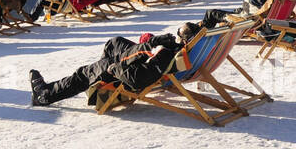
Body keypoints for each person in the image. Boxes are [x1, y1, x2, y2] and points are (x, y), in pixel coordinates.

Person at [28, 22, 200, 106]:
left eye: (180, 32)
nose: (176, 32)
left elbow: (138, 79)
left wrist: (114, 69)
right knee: (114, 42)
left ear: (184, 39)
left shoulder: (164, 53)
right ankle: (99, 85)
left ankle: (45, 95)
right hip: (132, 58)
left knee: (82, 74)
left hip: (121, 67)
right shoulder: (174, 48)